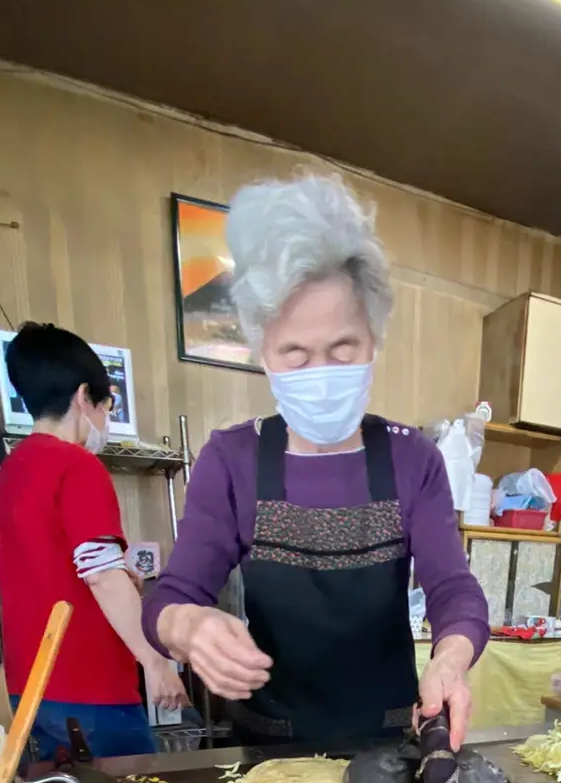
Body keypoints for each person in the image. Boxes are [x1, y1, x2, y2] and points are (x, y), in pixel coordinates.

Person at [142, 174, 489, 750]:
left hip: (389, 745)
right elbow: (171, 595)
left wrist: (450, 659)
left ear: (373, 342)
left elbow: (454, 589)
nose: (320, 374)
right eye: (295, 354)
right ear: (263, 355)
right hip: (265, 748)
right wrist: (188, 626)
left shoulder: (413, 458)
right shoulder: (231, 459)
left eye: (342, 350)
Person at [0, 322, 185, 759]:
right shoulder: (76, 465)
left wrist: (120, 571)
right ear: (84, 396)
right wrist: (154, 662)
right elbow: (100, 575)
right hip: (91, 687)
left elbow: (49, 565)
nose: (105, 421)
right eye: (106, 407)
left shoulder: (13, 469)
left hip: (29, 686)